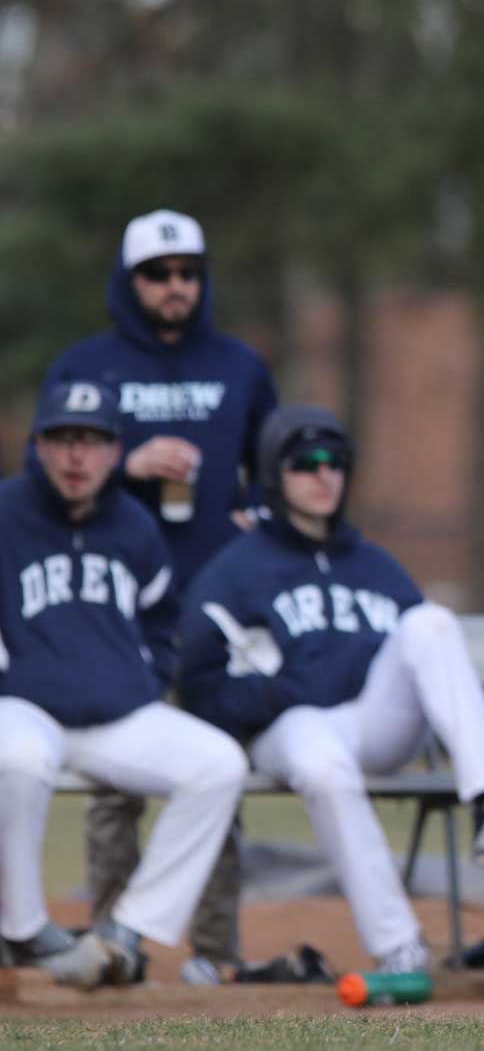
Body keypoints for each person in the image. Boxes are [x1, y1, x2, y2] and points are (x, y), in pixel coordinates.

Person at [174, 405, 484, 975]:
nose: (324, 475)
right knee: (321, 762)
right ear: (275, 476)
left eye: (335, 462)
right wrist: (276, 694)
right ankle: (398, 946)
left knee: (433, 622)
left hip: (373, 723)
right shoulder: (236, 571)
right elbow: (199, 688)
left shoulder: (375, 565)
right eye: (305, 464)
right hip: (288, 730)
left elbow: (423, 659)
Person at [44, 209, 279, 979]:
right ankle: (112, 944)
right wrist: (128, 463)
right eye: (158, 274)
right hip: (111, 606)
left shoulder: (240, 365)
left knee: (216, 769)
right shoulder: (88, 367)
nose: (176, 287)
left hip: (214, 601)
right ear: (129, 280)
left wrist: (260, 513)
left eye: (189, 273)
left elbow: (282, 460)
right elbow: (44, 472)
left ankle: (215, 952)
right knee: (117, 784)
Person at [0, 381, 248, 988]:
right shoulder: (5, 513)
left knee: (218, 763)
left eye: (91, 441)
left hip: (117, 714)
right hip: (24, 706)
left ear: (115, 452)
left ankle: (127, 931)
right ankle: (25, 927)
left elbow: (164, 621)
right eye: (61, 440)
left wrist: (149, 678)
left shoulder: (133, 524)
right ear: (39, 446)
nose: (75, 456)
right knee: (17, 759)